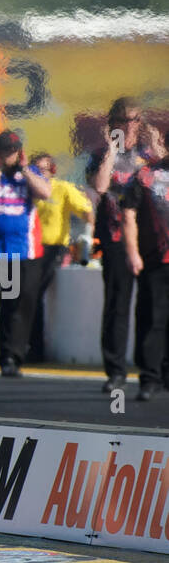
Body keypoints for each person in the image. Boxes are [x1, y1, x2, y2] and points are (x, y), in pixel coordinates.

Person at [87, 97, 166, 392]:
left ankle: (154, 372)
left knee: (155, 309)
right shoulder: (101, 156)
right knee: (117, 307)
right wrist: (111, 149)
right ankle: (116, 372)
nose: (129, 126)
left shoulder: (149, 156)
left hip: (150, 241)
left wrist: (156, 144)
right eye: (123, 120)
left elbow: (164, 174)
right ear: (113, 123)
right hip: (116, 237)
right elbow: (100, 186)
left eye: (134, 120)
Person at [0, 130, 51, 377]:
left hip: (21, 251)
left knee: (17, 306)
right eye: (6, 152)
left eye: (13, 152)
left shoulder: (29, 173)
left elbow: (45, 193)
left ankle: (11, 357)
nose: (10, 156)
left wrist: (24, 170)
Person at [30, 152, 94, 363]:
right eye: (36, 170)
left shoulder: (63, 188)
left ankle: (36, 348)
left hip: (54, 247)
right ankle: (31, 346)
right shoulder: (28, 189)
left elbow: (87, 211)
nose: (41, 174)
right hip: (30, 246)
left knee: (36, 292)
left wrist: (87, 235)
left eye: (45, 169)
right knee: (27, 295)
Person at [119, 154, 169, 400]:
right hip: (155, 259)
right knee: (152, 319)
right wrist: (132, 252)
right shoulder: (146, 176)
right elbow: (128, 213)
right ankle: (149, 378)